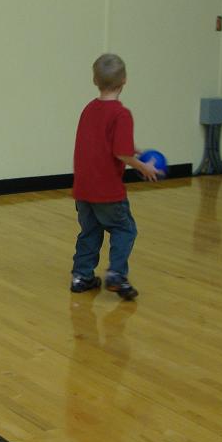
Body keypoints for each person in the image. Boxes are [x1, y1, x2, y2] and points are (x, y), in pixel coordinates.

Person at [70, 54, 159, 301]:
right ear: (125, 80)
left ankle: (81, 276)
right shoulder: (121, 114)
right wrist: (143, 167)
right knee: (124, 229)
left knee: (89, 232)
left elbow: (102, 142)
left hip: (84, 188)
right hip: (107, 190)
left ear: (95, 80)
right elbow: (120, 152)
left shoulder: (90, 108)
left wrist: (134, 148)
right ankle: (116, 275)